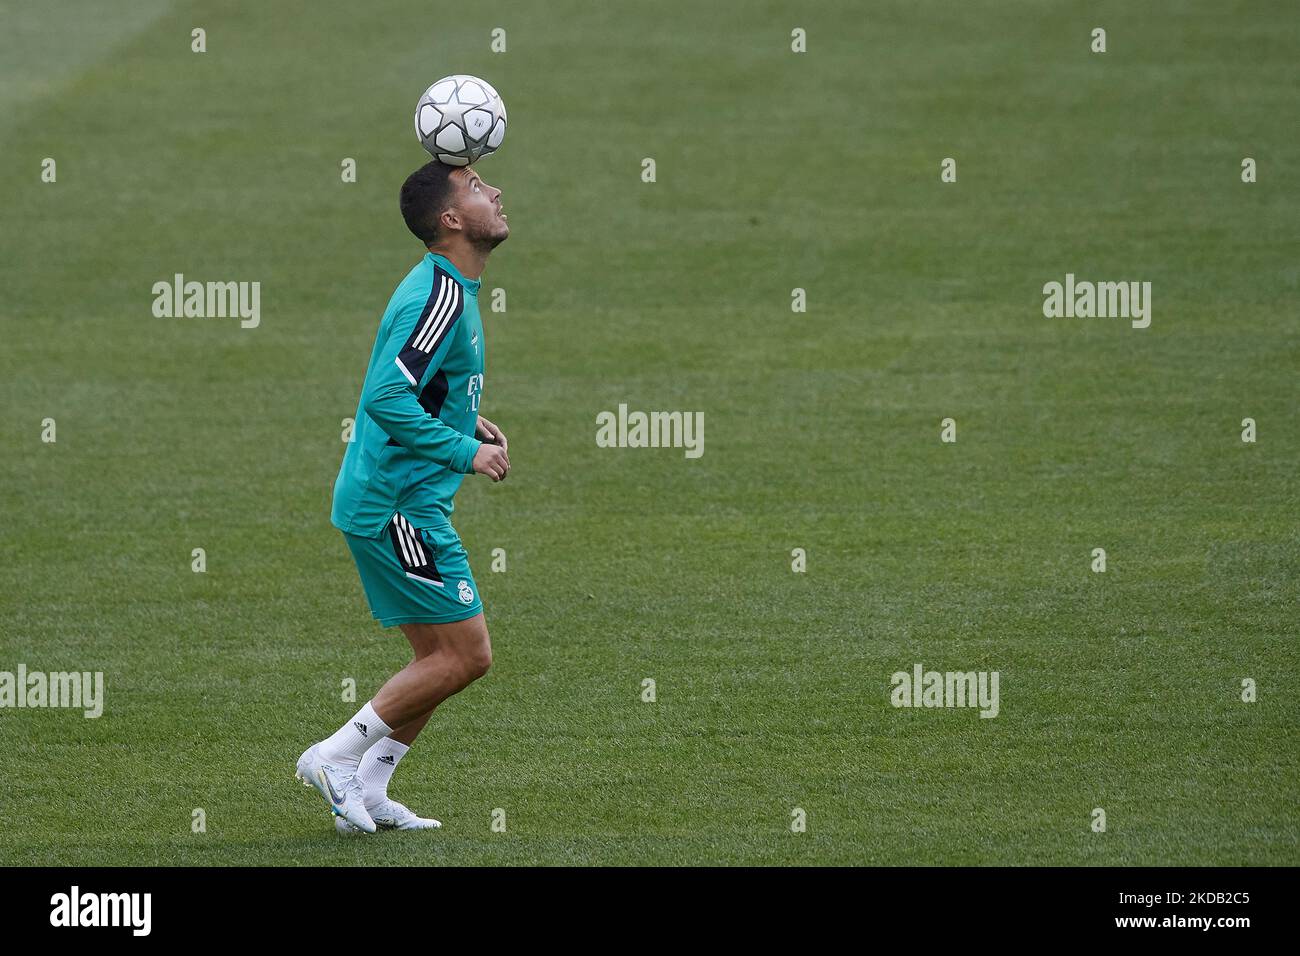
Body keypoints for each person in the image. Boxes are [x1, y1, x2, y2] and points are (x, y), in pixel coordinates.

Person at [295, 161, 510, 833]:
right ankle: (334, 757)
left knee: (437, 660)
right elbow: (386, 397)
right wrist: (465, 452)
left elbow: (417, 385)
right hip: (396, 509)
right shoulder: (439, 296)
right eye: (476, 189)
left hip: (394, 501)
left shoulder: (451, 288)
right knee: (467, 655)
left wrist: (460, 416)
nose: (495, 192)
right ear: (451, 220)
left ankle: (369, 787)